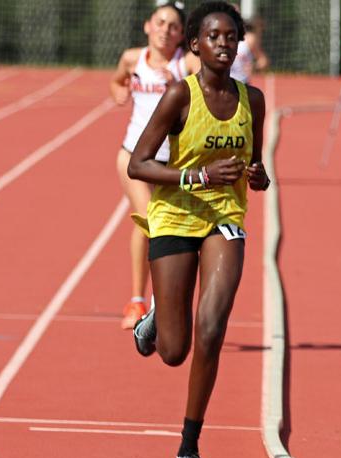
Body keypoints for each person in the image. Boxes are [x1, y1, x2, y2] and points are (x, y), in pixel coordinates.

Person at [128, 2, 270, 458]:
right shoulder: (177, 97)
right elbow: (139, 164)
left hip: (224, 219)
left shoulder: (254, 100)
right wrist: (199, 175)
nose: (225, 44)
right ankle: (154, 320)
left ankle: (188, 448)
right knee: (174, 350)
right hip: (173, 217)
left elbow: (258, 171)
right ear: (194, 45)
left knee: (212, 326)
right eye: (214, 37)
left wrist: (258, 176)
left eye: (232, 37)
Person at [110, 1, 200, 330]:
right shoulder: (132, 58)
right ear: (148, 26)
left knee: (151, 226)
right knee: (152, 222)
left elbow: (205, 94)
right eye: (160, 23)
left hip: (170, 162)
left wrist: (179, 83)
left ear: (182, 35)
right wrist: (118, 93)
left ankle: (142, 301)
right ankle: (147, 306)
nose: (165, 30)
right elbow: (117, 80)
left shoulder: (186, 63)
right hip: (133, 157)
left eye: (173, 26)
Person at [228, 3, 269, 83]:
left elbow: (263, 61)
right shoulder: (219, 40)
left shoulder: (249, 39)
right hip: (224, 86)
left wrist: (254, 67)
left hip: (243, 84)